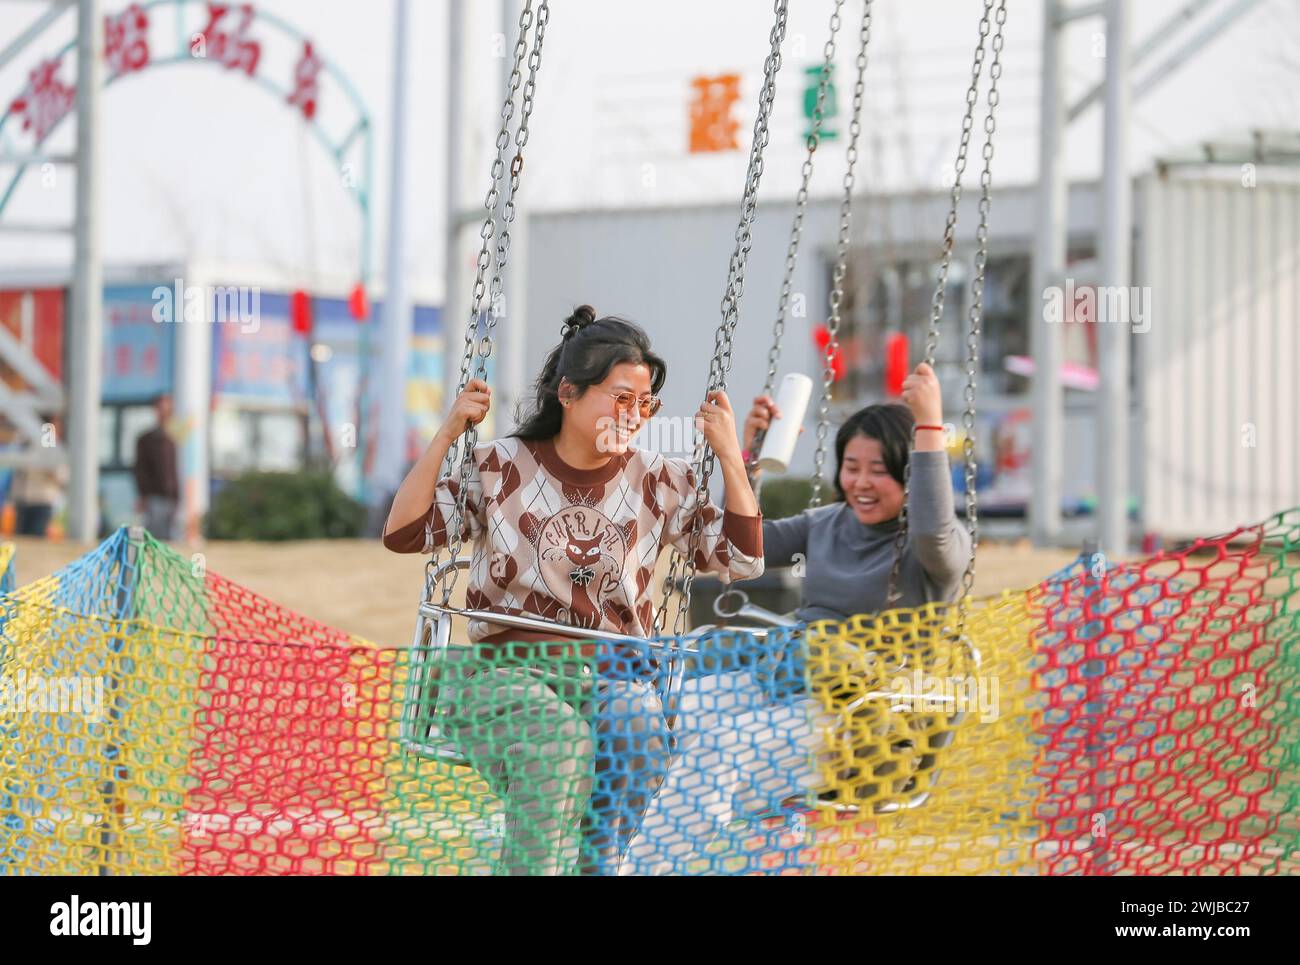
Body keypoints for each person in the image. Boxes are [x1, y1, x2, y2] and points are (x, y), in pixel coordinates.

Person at [382, 305, 764, 875]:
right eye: (620, 397)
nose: (634, 414)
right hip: (505, 673)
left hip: (614, 673)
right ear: (568, 393)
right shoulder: (498, 466)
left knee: (638, 734)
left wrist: (730, 455)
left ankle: (600, 865)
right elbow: (404, 533)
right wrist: (447, 433)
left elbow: (742, 558)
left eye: (645, 403)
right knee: (558, 746)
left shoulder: (660, 478)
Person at [622, 362, 969, 874]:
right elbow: (735, 554)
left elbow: (936, 530)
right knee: (660, 714)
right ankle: (630, 852)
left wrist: (930, 426)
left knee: (722, 745)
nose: (862, 483)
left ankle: (650, 867)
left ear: (910, 475)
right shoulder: (827, 524)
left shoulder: (933, 550)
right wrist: (749, 462)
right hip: (784, 677)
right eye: (852, 467)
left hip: (858, 716)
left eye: (880, 470)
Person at [13, 414, 68, 537]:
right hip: (23, 499)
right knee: (22, 540)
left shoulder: (48, 439)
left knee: (35, 539)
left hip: (41, 500)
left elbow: (60, 475)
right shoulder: (26, 439)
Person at [134, 394, 179, 540]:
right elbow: (140, 469)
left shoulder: (174, 438)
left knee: (169, 540)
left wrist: (178, 496)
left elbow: (175, 470)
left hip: (172, 497)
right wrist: (143, 495)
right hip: (154, 497)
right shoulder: (146, 439)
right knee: (153, 538)